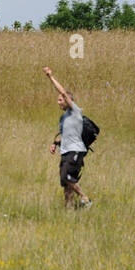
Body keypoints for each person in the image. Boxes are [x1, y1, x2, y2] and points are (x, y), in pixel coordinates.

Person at [45, 67, 92, 209]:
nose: (58, 102)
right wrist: (55, 143)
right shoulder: (63, 118)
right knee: (66, 184)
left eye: (60, 100)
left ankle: (85, 198)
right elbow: (66, 137)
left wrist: (50, 77)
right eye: (58, 100)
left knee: (66, 177)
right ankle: (69, 211)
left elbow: (63, 92)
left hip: (76, 151)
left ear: (68, 101)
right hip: (65, 151)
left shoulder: (75, 111)